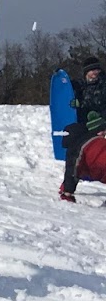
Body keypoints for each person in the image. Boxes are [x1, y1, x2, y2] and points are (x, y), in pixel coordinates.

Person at [61, 55, 105, 202]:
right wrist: (60, 77)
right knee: (74, 148)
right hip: (84, 125)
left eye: (97, 70)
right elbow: (65, 87)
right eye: (92, 70)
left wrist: (101, 120)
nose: (95, 73)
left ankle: (68, 189)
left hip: (100, 124)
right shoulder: (81, 85)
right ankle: (69, 184)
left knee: (81, 152)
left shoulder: (103, 85)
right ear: (86, 72)